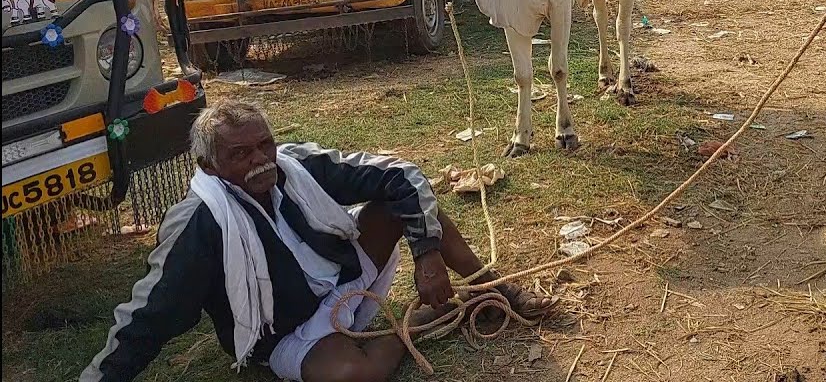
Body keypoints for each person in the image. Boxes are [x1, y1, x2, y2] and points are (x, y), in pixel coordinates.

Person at [81, 100, 551, 382]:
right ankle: (431, 318)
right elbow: (147, 317)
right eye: (240, 154)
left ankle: (493, 289)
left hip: (341, 280)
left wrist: (426, 255)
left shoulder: (296, 164)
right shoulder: (198, 226)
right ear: (209, 166)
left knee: (402, 205)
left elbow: (401, 176)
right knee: (353, 376)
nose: (261, 160)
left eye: (265, 144)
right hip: (285, 330)